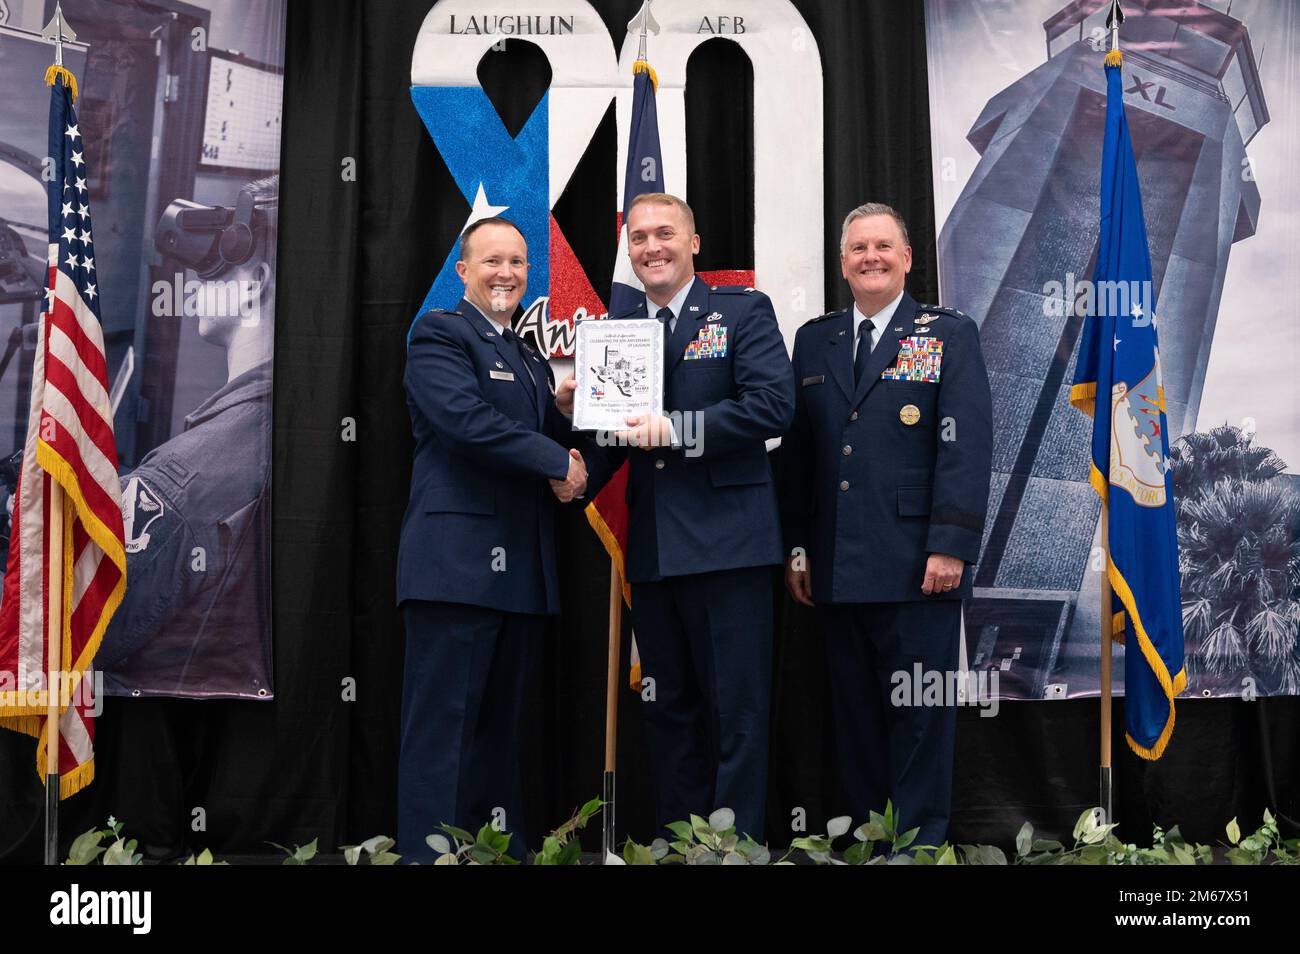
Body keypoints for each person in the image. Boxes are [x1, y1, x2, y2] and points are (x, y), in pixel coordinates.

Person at [559, 193, 794, 840]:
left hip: (730, 548)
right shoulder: (619, 329)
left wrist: (678, 428)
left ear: (693, 243)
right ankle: (682, 843)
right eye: (638, 238)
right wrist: (569, 468)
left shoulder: (742, 312)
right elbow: (611, 437)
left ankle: (735, 847)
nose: (651, 246)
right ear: (629, 251)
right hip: (658, 549)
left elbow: (774, 406)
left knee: (736, 714)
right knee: (670, 711)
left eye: (665, 233)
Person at [779, 202, 992, 848]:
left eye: (882, 247)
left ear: (906, 259)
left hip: (918, 567)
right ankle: (868, 845)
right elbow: (799, 454)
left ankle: (919, 848)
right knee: (856, 720)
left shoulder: (948, 334)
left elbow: (967, 446)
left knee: (921, 718)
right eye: (857, 248)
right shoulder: (815, 340)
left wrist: (949, 544)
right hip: (838, 568)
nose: (870, 257)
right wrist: (796, 547)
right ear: (842, 262)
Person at [396, 216, 593, 862]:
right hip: (454, 571)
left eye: (516, 261)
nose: (505, 272)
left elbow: (539, 439)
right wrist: (555, 460)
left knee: (499, 745)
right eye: (491, 261)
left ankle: (494, 857)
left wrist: (569, 413)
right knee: (441, 742)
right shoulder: (438, 336)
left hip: (521, 578)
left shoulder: (530, 357)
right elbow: (466, 421)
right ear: (463, 272)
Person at [99, 175, 278, 699]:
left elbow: (89, 622)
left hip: (166, 738)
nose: (194, 282)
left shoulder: (193, 472)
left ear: (255, 282)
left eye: (214, 263)